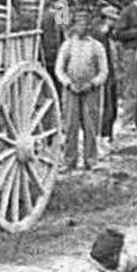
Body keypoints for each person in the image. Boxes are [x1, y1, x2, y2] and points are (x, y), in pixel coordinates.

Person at [55, 9, 109, 172]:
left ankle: (90, 159)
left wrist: (92, 84)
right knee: (70, 126)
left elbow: (104, 71)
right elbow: (59, 69)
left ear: (89, 27)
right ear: (74, 26)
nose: (81, 27)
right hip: (71, 90)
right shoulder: (67, 45)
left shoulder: (97, 46)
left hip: (90, 91)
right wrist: (68, 83)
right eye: (78, 24)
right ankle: (69, 160)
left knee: (90, 125)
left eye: (84, 24)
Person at [112, 0, 137, 130]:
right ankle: (127, 120)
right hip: (132, 51)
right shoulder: (128, 11)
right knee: (131, 86)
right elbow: (117, 33)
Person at [92, 4, 119, 154]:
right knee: (105, 107)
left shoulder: (107, 34)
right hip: (103, 74)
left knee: (112, 107)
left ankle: (107, 137)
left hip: (111, 73)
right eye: (112, 19)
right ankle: (102, 138)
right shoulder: (99, 33)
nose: (114, 23)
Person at [40, 0, 69, 88]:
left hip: (45, 53)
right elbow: (57, 36)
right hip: (52, 55)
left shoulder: (42, 15)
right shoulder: (55, 16)